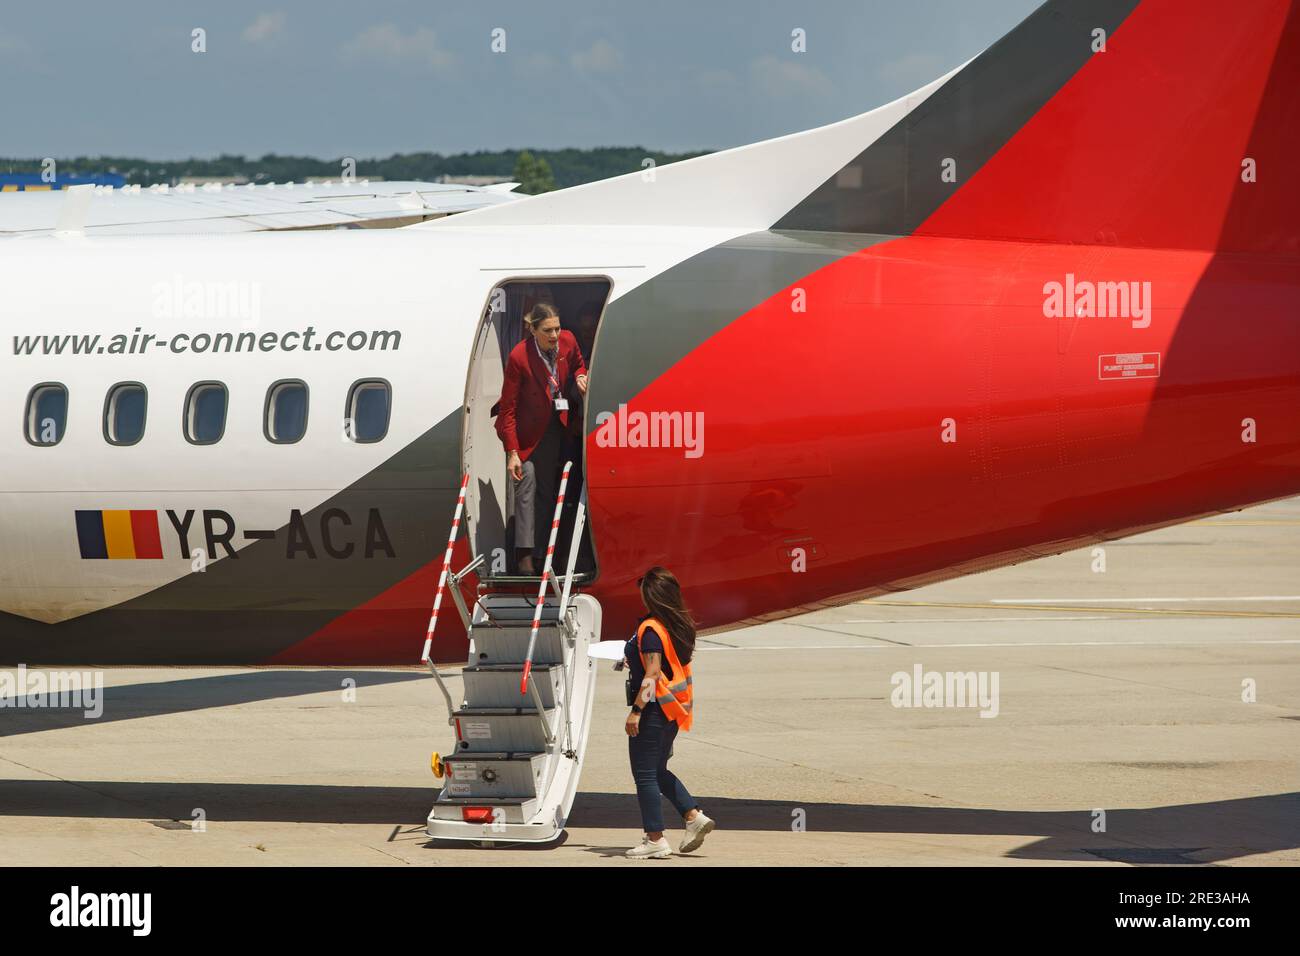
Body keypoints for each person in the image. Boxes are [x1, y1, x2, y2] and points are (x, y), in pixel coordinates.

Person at [621, 566, 715, 858]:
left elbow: (651, 673)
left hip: (653, 711)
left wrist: (636, 710)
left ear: (651, 596)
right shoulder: (678, 624)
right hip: (673, 711)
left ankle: (655, 839)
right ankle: (692, 816)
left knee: (645, 775)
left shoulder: (650, 629)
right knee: (657, 770)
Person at [495, 303, 588, 576]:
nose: (554, 335)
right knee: (527, 485)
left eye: (557, 328)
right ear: (533, 330)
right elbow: (507, 409)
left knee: (548, 492)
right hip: (524, 434)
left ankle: (541, 555)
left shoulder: (568, 341)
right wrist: (512, 451)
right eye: (547, 330)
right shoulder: (519, 356)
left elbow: (578, 363)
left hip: (552, 429)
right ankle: (523, 559)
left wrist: (581, 376)